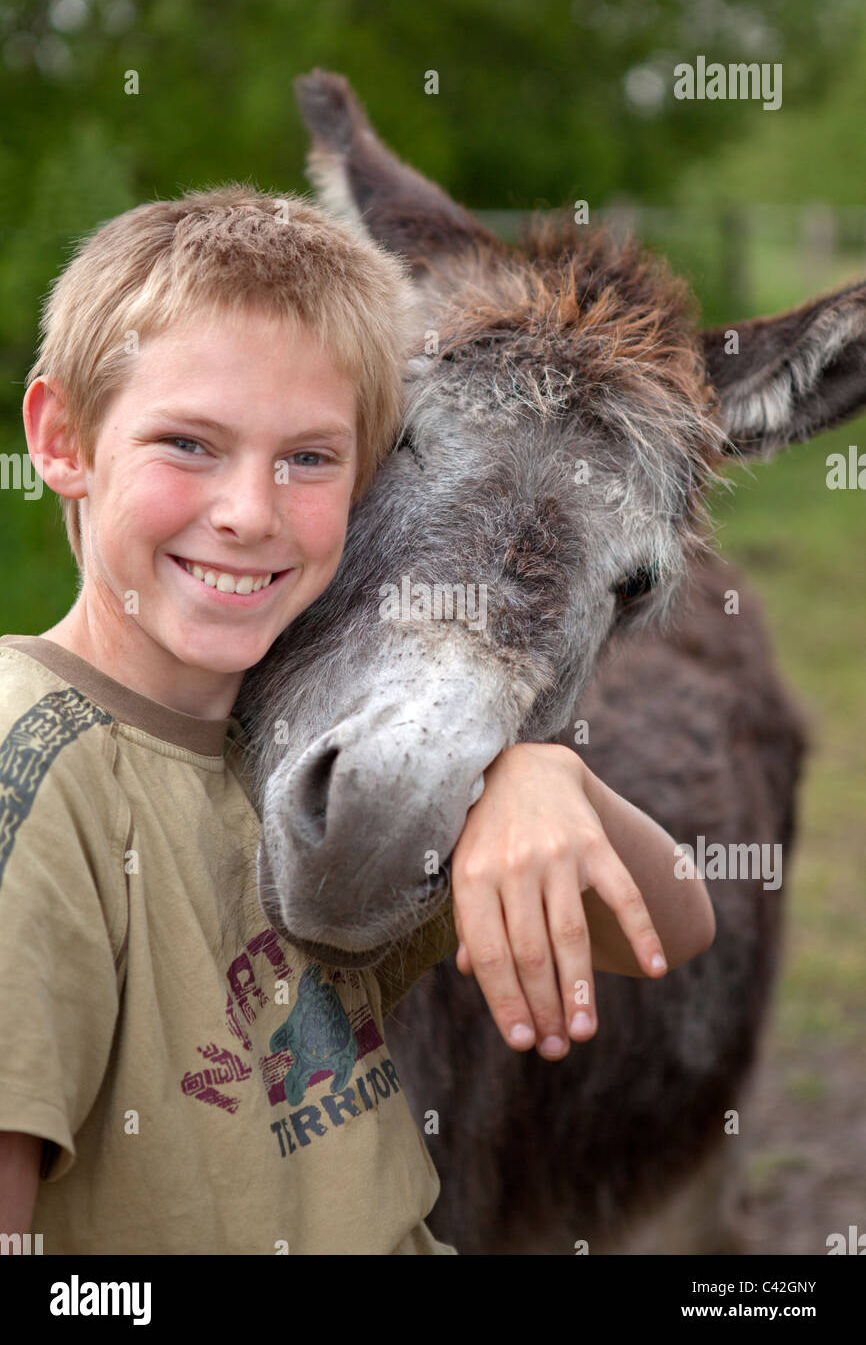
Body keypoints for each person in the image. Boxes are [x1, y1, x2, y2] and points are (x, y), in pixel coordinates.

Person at [0, 186, 715, 1254]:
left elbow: (672, 927)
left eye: (310, 459)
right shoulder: (39, 778)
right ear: (62, 440)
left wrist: (537, 775)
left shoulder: (285, 733)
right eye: (188, 443)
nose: (246, 511)